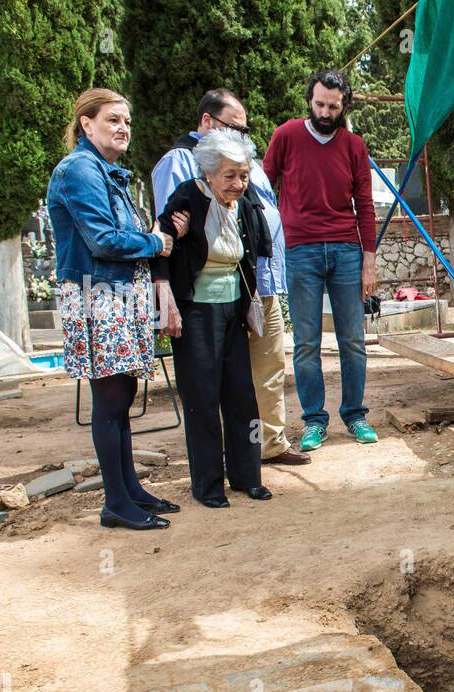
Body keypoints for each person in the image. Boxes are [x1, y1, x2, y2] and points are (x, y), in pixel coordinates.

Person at [46, 87, 186, 531]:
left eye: (127, 120)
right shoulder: (80, 170)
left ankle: (130, 491)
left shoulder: (107, 171)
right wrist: (157, 242)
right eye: (112, 119)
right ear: (86, 124)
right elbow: (103, 241)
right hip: (97, 295)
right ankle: (116, 504)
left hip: (118, 294)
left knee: (121, 398)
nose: (123, 127)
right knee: (110, 400)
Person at [151, 89, 310, 467]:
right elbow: (171, 228)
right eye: (233, 127)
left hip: (261, 283)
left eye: (244, 130)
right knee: (219, 382)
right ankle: (223, 458)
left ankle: (269, 444)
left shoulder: (248, 164)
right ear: (207, 122)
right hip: (213, 293)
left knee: (268, 367)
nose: (241, 136)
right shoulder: (180, 162)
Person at [152, 129, 273, 508]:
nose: (238, 183)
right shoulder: (187, 195)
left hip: (234, 308)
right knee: (202, 399)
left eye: (243, 174)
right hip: (196, 313)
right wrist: (165, 294)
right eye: (229, 176)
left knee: (242, 397)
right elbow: (161, 242)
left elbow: (257, 243)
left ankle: (248, 476)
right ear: (208, 172)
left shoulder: (245, 198)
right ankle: (208, 486)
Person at [262, 69, 378, 451]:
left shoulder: (354, 146)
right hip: (300, 250)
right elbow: (264, 186)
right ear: (309, 102)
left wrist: (369, 261)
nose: (326, 112)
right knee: (306, 343)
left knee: (353, 340)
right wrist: (274, 237)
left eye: (333, 106)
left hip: (346, 248)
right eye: (320, 104)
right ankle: (314, 420)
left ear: (343, 106)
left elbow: (365, 203)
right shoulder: (286, 135)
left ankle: (355, 415)